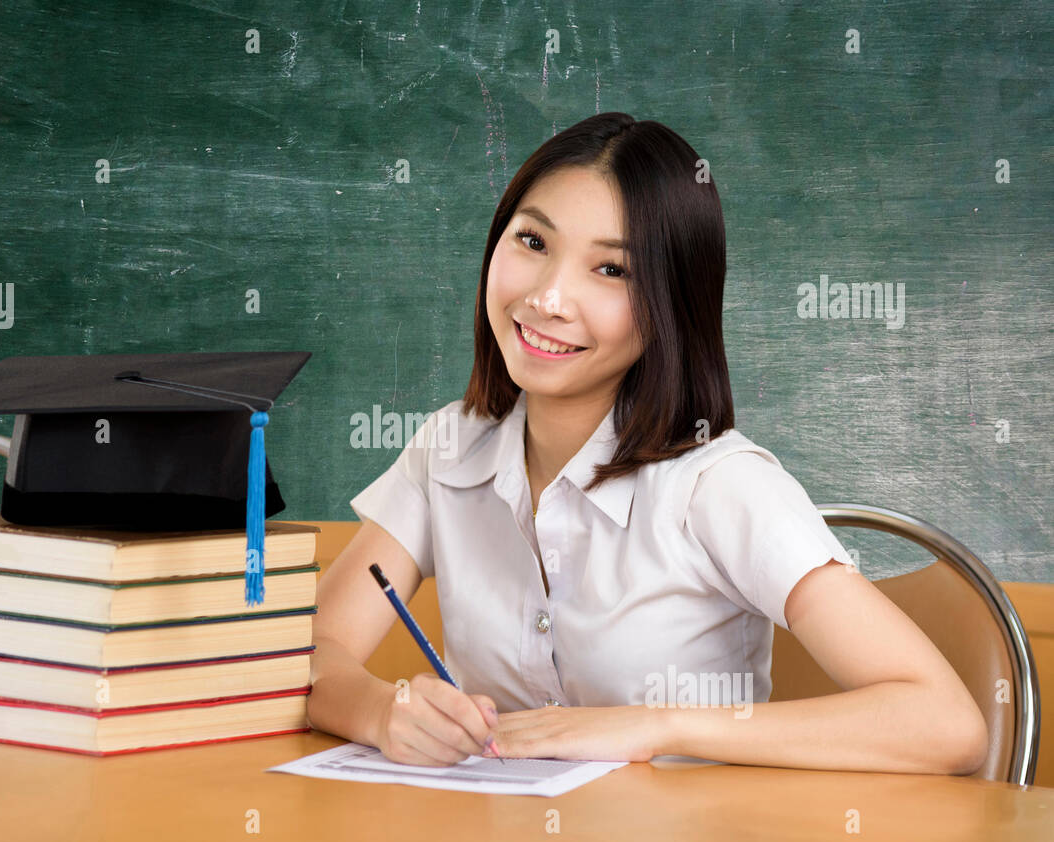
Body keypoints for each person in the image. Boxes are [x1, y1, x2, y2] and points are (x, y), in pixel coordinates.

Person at [307, 112, 988, 775]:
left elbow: (946, 723)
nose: (548, 298)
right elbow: (311, 654)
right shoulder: (448, 447)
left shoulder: (718, 486)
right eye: (533, 243)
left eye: (612, 271)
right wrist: (381, 709)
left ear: (670, 305)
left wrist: (655, 725)